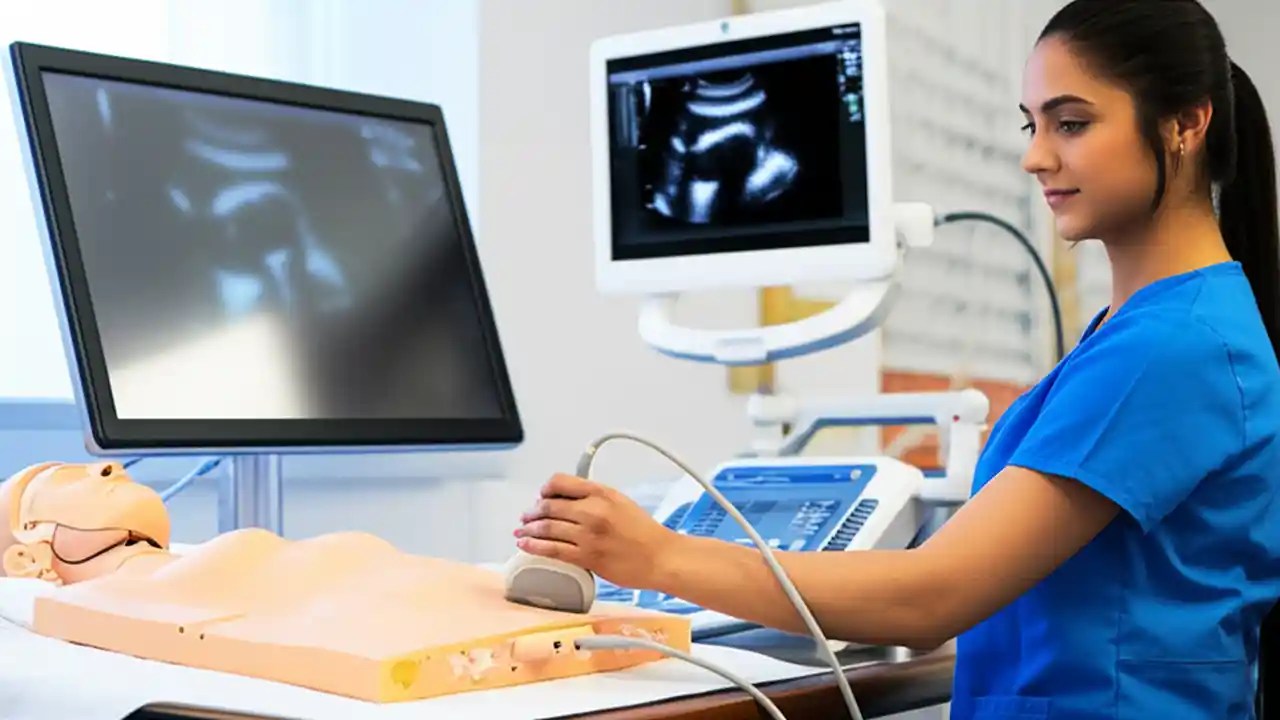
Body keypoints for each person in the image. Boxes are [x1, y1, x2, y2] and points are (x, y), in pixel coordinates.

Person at [514, 1, 1280, 717]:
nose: (1036, 158)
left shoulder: (1171, 346)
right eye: (1031, 126)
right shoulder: (1156, 328)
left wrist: (659, 556)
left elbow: (929, 598)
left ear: (1186, 125)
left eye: (1072, 124)